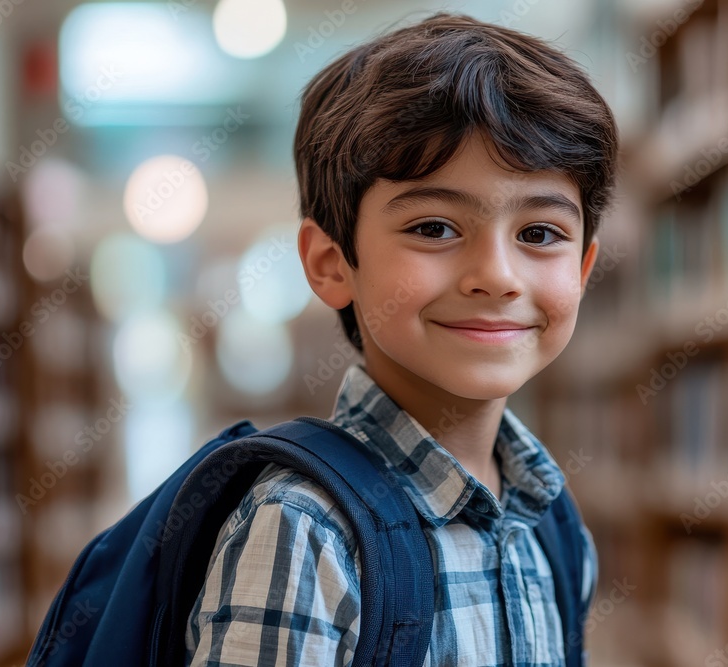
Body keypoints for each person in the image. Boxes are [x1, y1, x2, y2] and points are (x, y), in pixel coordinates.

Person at [185, 11, 619, 666]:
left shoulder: (555, 527)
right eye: (435, 227)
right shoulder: (304, 532)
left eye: (539, 234)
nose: (497, 276)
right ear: (332, 263)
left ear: (583, 271)